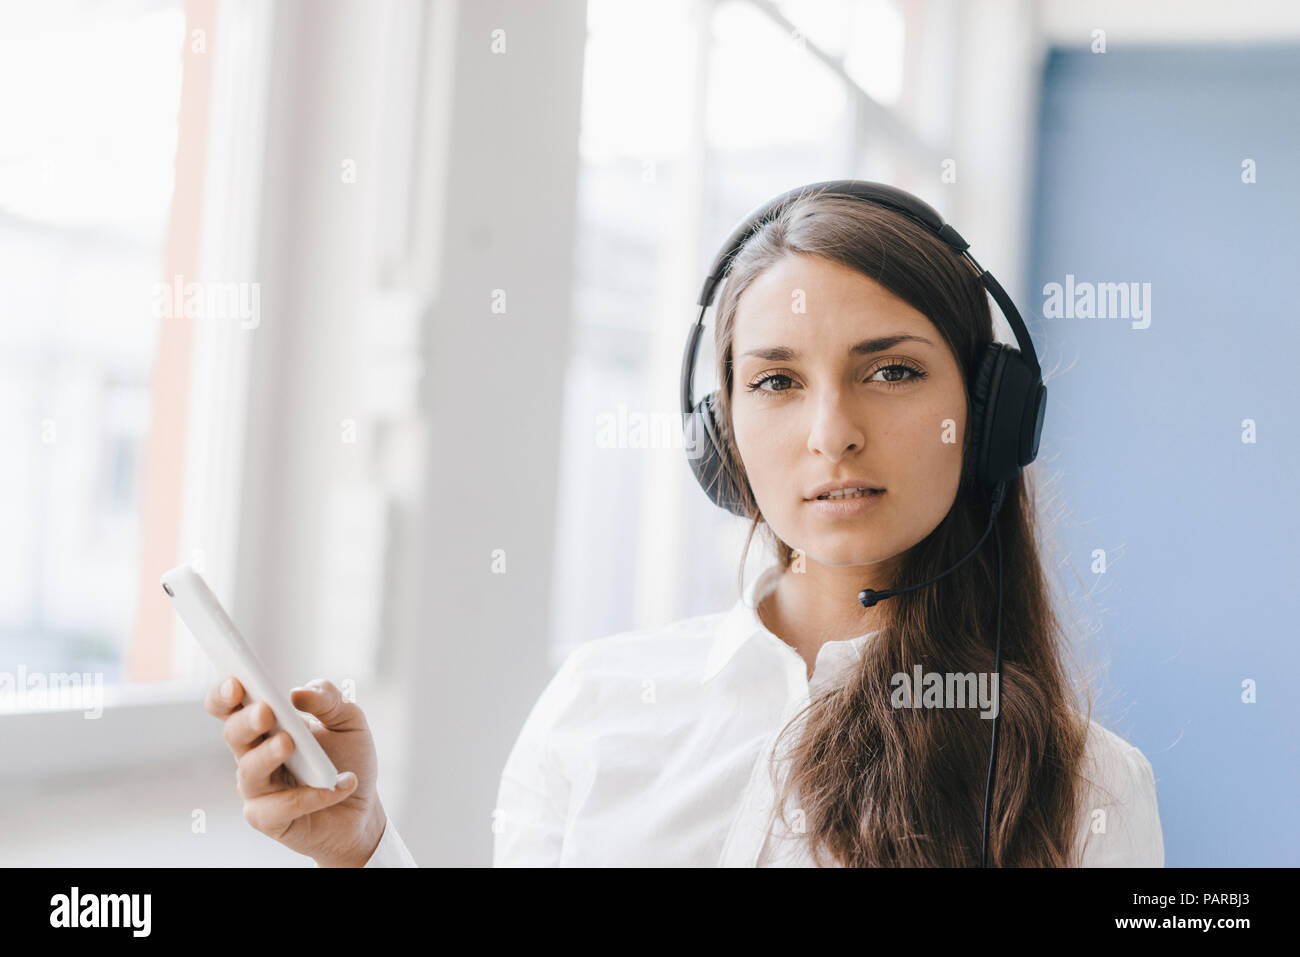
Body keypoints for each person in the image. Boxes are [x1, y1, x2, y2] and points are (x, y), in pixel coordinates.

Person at [204, 186, 1163, 867]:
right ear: (722, 433)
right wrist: (359, 846)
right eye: (777, 381)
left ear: (989, 417)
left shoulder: (1087, 788)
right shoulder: (600, 702)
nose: (832, 433)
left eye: (892, 370)